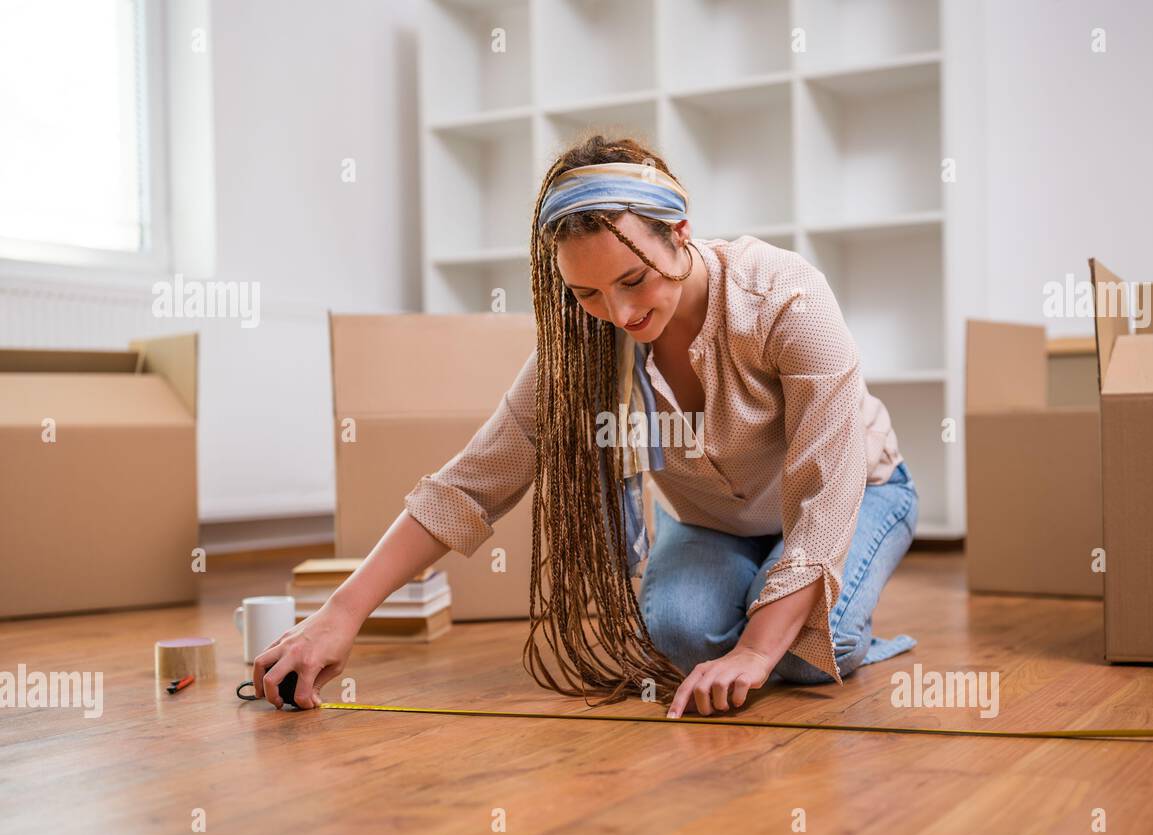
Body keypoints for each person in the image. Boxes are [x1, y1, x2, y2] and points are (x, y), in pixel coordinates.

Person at [253, 134, 918, 719]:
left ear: (680, 232)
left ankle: (812, 609)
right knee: (684, 637)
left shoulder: (786, 297)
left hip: (859, 491)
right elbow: (471, 483)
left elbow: (829, 489)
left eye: (633, 279)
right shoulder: (580, 346)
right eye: (588, 293)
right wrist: (341, 614)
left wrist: (753, 648)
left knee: (809, 652)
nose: (620, 313)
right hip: (716, 521)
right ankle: (775, 593)